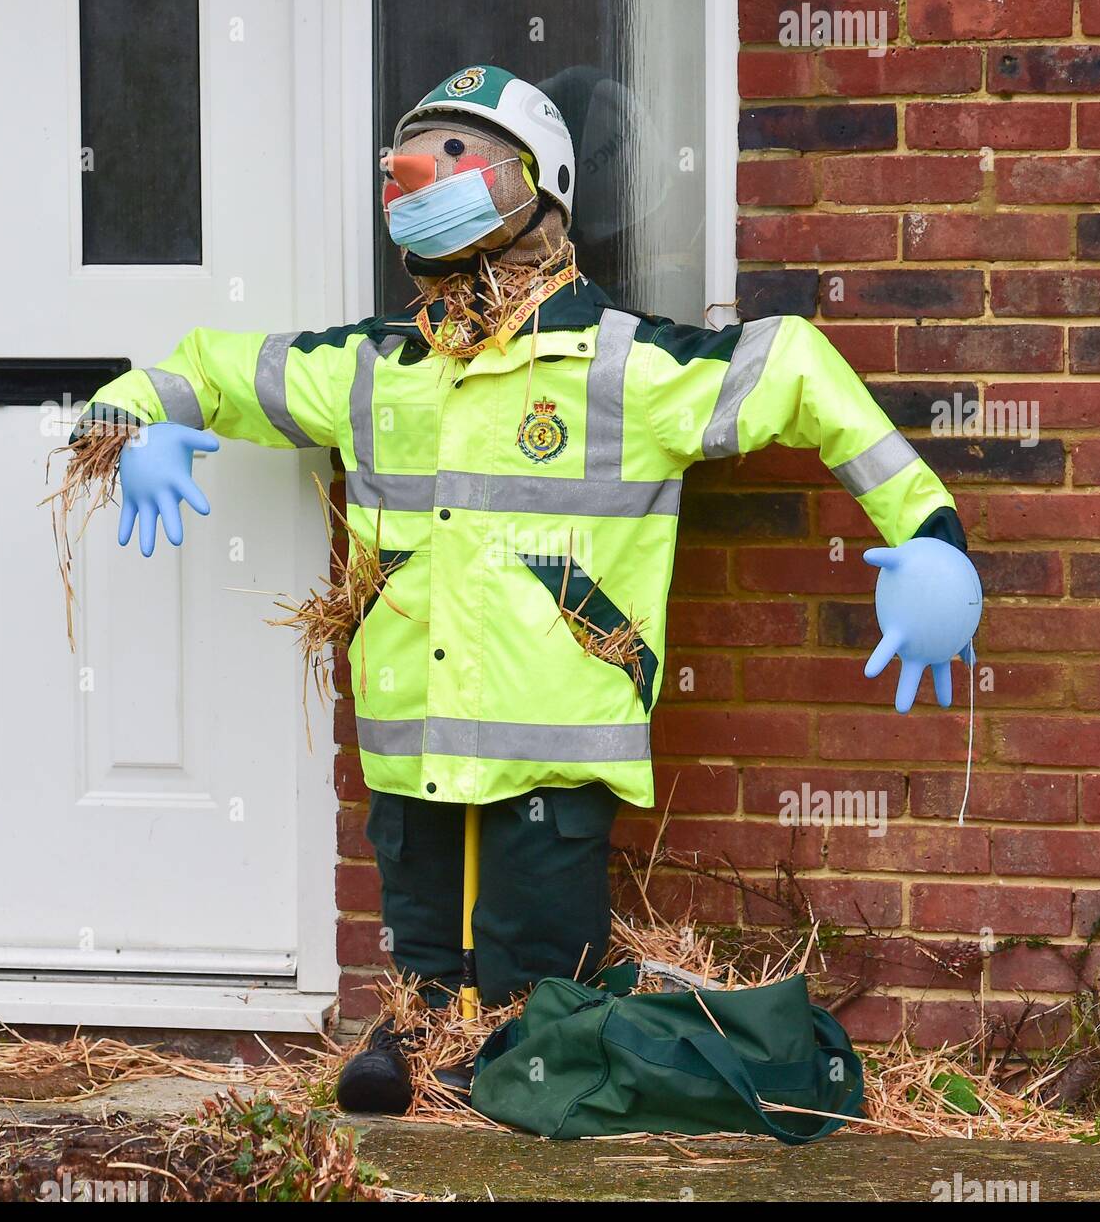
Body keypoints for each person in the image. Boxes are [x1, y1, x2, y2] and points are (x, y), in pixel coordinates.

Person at [70, 66, 969, 1114]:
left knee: (536, 1032)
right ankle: (420, 1065)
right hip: (411, 765)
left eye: (465, 159)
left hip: (551, 769)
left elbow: (798, 369)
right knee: (419, 1013)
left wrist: (929, 529)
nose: (424, 180)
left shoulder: (623, 368)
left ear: (542, 186)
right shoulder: (373, 367)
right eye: (414, 162)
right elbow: (214, 368)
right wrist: (121, 420)